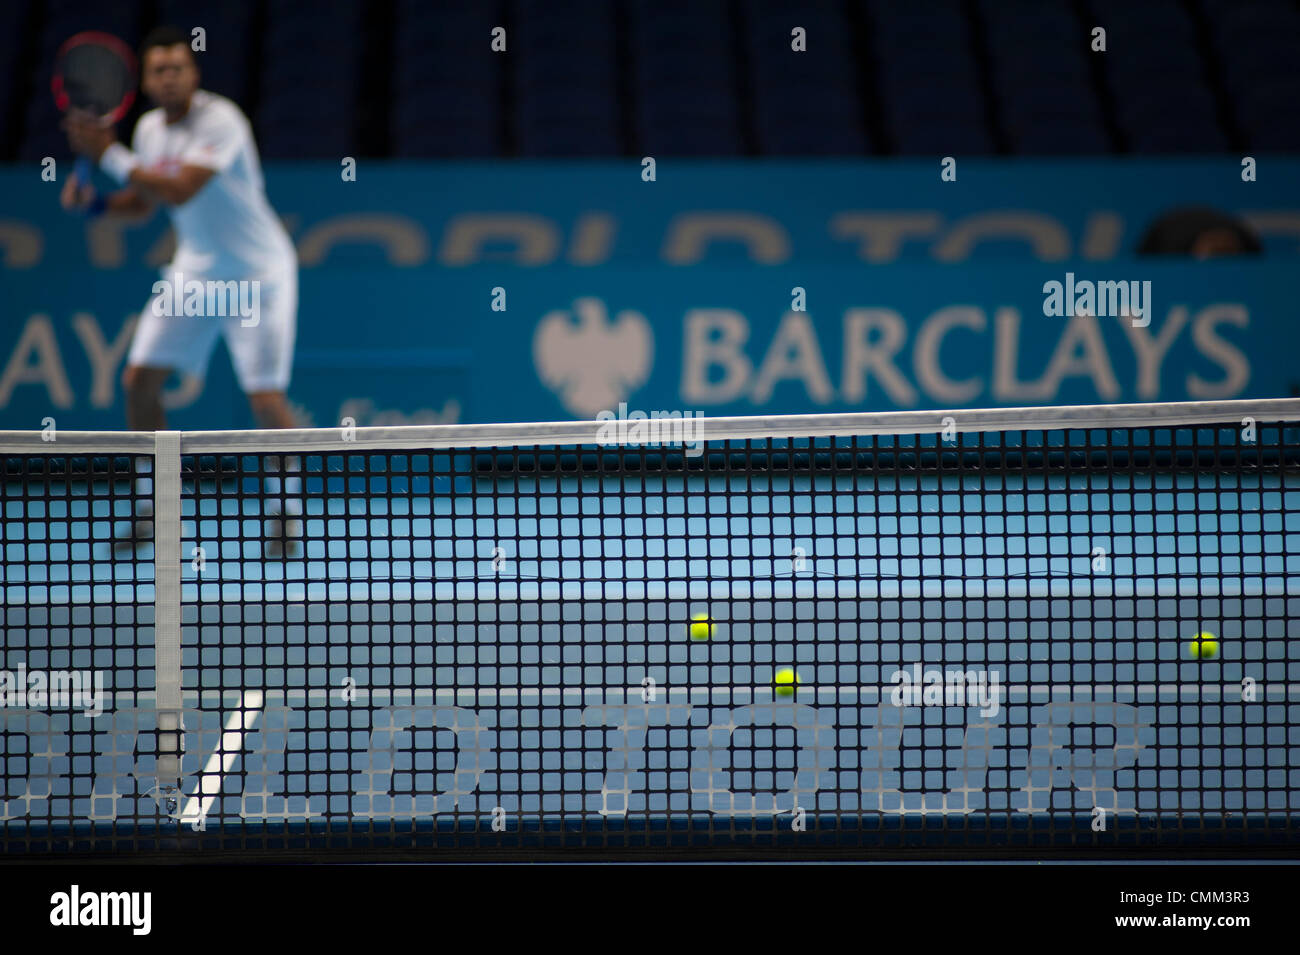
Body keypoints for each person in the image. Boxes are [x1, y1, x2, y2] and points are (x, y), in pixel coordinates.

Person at [61, 25, 300, 553]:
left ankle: (285, 512)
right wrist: (97, 204)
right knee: (139, 380)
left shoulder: (222, 120)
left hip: (259, 276)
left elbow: (183, 189)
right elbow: (148, 202)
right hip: (194, 275)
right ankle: (153, 511)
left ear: (193, 74)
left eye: (179, 68)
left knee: (265, 397)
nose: (170, 78)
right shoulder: (148, 131)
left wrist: (109, 156)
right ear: (145, 81)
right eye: (159, 70)